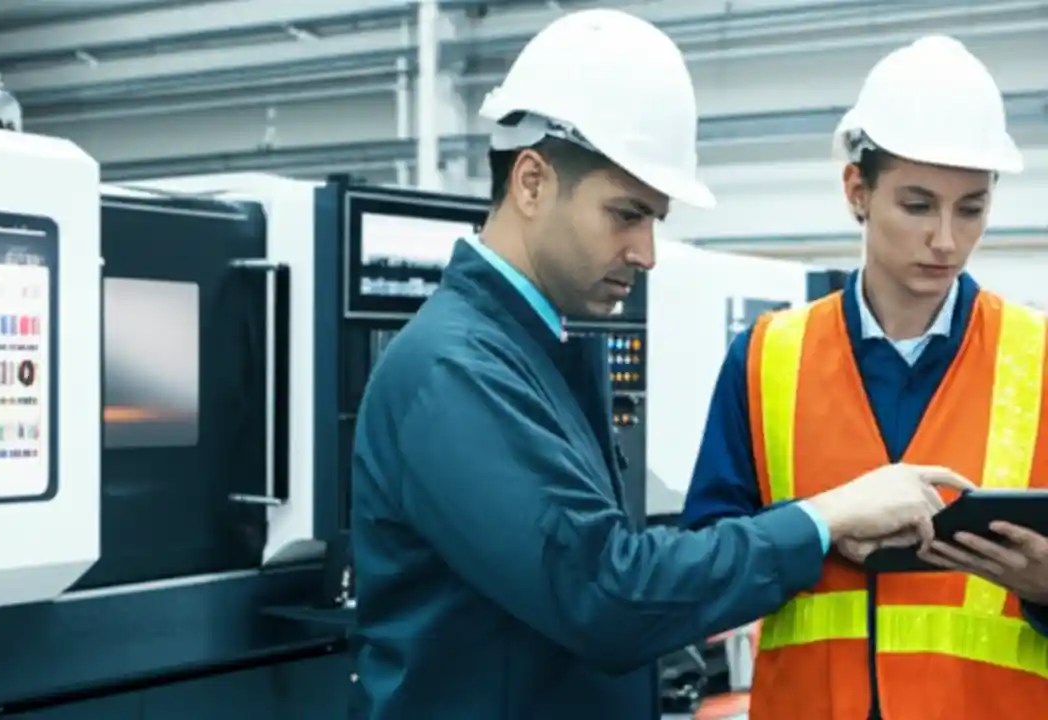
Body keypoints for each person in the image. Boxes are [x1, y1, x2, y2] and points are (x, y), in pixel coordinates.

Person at [347, 11, 974, 720]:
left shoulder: (531, 353)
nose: (646, 253)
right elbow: (603, 593)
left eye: (653, 221)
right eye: (626, 215)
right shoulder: (453, 369)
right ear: (531, 183)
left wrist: (820, 528)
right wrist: (821, 519)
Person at [681, 35, 1048, 720]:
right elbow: (703, 574)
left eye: (971, 208)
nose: (947, 239)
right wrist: (816, 528)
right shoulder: (764, 358)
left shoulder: (1041, 359)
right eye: (918, 205)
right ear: (858, 190)